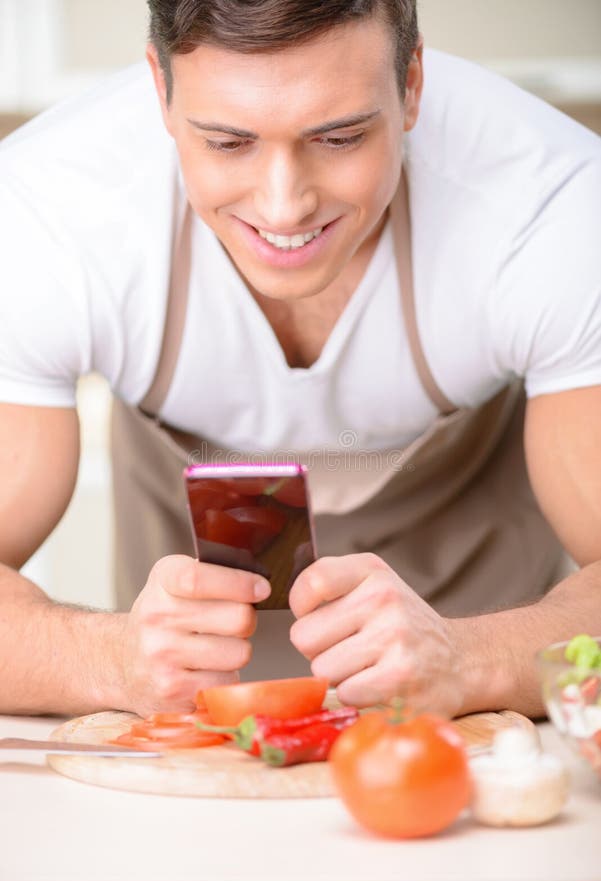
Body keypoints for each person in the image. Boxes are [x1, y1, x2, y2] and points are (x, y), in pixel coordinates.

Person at [0, 0, 600, 720]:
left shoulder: (553, 209)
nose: (284, 208)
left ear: (411, 83)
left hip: (473, 643)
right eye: (227, 142)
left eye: (340, 137)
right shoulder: (46, 213)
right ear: (159, 88)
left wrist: (468, 662)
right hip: (185, 671)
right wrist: (104, 660)